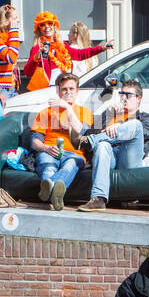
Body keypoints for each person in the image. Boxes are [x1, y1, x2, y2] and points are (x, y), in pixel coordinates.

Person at [76, 78, 149, 213]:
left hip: (128, 158)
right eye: (121, 94)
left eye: (128, 95)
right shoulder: (110, 114)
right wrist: (109, 115)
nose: (124, 98)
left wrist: (119, 127)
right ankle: (98, 199)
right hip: (109, 158)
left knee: (135, 126)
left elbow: (145, 134)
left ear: (139, 98)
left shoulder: (144, 118)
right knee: (102, 146)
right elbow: (90, 131)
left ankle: (93, 140)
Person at [29, 71, 94, 211]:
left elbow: (80, 131)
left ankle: (48, 189)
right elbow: (34, 141)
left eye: (71, 89)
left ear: (77, 91)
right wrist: (46, 148)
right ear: (58, 91)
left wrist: (68, 108)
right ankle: (55, 195)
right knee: (49, 166)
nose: (68, 92)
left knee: (70, 165)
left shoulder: (85, 112)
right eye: (64, 89)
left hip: (74, 153)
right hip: (50, 150)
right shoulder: (46, 112)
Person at [23, 11, 107, 90]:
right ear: (39, 29)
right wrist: (36, 58)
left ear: (54, 26)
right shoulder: (38, 48)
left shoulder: (63, 45)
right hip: (48, 91)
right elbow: (27, 72)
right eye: (42, 25)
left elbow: (80, 54)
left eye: (49, 23)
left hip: (64, 90)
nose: (47, 27)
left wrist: (101, 48)